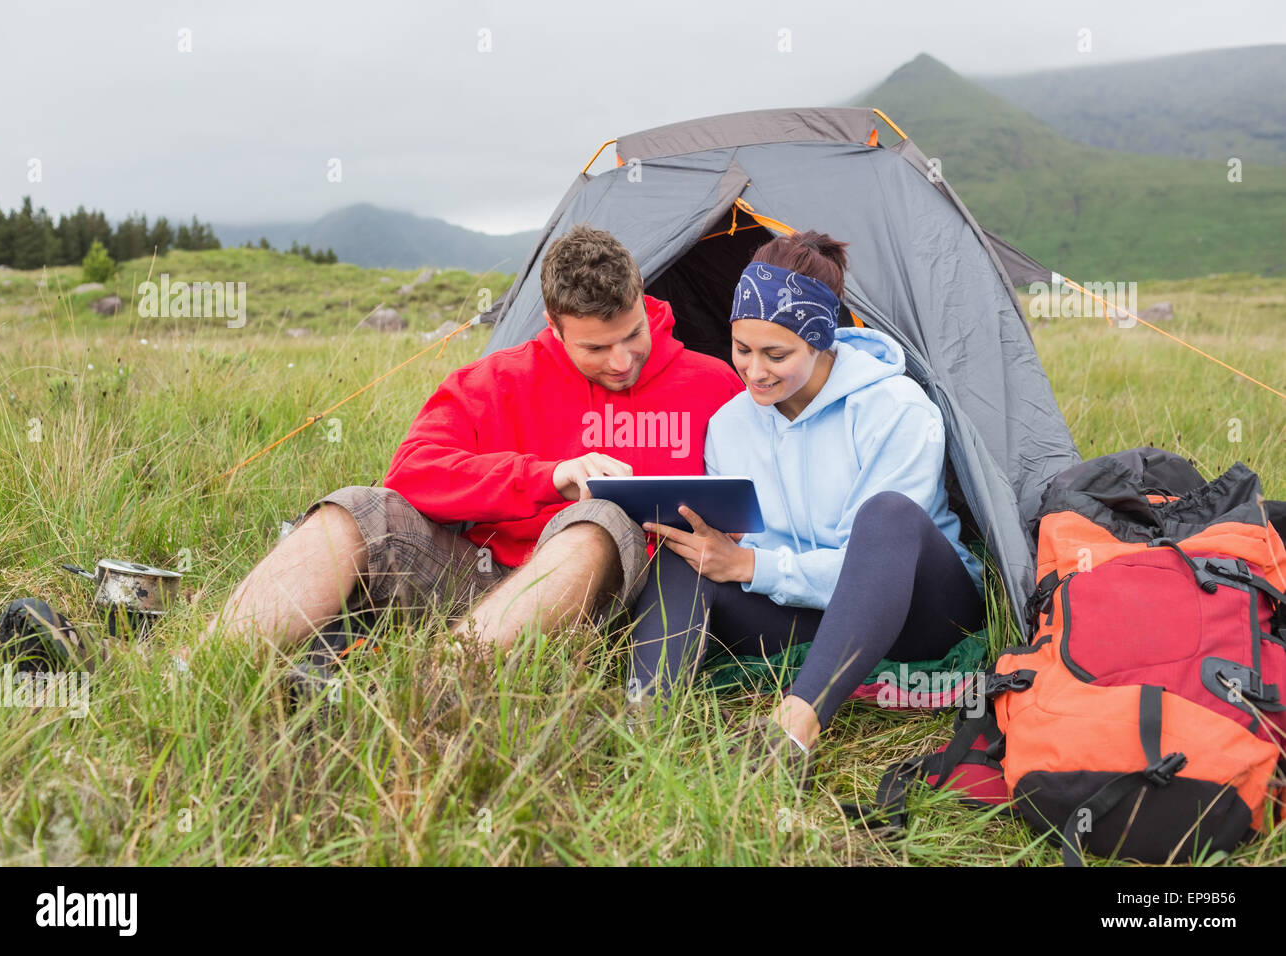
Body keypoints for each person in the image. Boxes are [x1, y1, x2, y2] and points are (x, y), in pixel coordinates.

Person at [195, 224, 743, 675]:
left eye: (632, 336)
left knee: (595, 519)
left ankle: (436, 686)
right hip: (474, 574)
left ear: (643, 302)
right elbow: (411, 473)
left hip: (608, 603)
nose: (622, 361)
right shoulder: (497, 380)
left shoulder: (713, 384)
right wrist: (545, 476)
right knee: (355, 509)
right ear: (553, 325)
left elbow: (757, 499)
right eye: (596, 348)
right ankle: (200, 667)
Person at [629, 230, 986, 788]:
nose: (754, 372)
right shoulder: (730, 424)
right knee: (685, 551)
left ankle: (795, 727)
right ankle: (644, 720)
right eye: (742, 349)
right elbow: (744, 545)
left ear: (821, 341)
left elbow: (870, 564)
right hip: (802, 609)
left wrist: (753, 567)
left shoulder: (896, 410)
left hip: (917, 611)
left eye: (777, 354)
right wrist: (730, 554)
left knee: (887, 513)